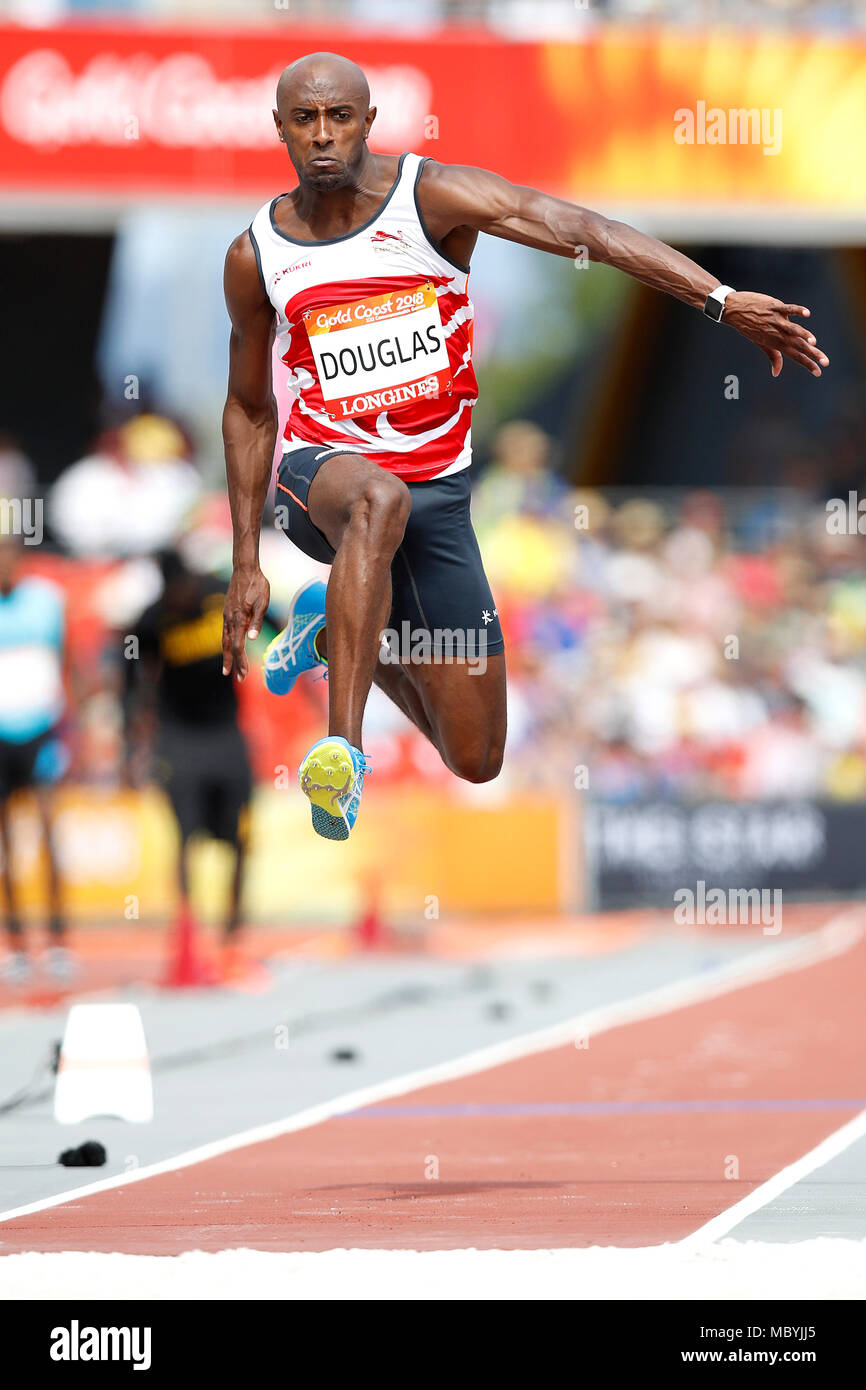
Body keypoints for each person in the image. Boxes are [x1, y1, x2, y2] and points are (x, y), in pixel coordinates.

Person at [221, 51, 829, 842]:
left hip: (437, 495)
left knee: (477, 755)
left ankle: (328, 632)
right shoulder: (257, 254)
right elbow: (246, 407)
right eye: (305, 120)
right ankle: (342, 751)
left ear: (369, 122)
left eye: (341, 117)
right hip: (322, 478)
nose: (324, 136)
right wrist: (245, 561)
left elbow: (585, 230)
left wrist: (717, 298)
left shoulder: (430, 199)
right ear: (280, 129)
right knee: (378, 498)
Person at [126, 548, 259, 985]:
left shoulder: (220, 594)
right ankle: (188, 935)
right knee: (185, 837)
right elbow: (131, 679)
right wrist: (134, 741)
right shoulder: (151, 620)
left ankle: (233, 934)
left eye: (182, 589)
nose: (178, 599)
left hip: (225, 733)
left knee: (239, 835)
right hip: (178, 739)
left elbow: (270, 615)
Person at [0, 537, 71, 984]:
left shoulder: (45, 603)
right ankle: (18, 943)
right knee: (7, 845)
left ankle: (60, 938)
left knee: (48, 833)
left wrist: (72, 726)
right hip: (2, 736)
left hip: (42, 731)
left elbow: (67, 665)